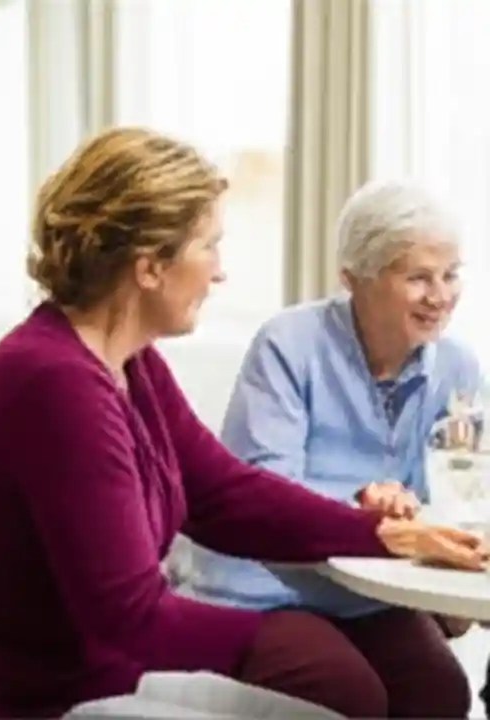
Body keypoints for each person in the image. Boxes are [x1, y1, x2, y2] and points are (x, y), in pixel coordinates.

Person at [0, 126, 487, 720]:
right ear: (150, 267)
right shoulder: (58, 385)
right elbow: (130, 620)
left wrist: (382, 533)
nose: (220, 272)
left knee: (374, 690)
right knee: (334, 687)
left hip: (75, 671)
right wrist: (274, 638)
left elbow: (222, 493)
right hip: (4, 697)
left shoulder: (129, 363)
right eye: (210, 246)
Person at [182, 178, 478, 717]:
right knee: (346, 693)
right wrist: (361, 505)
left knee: (439, 692)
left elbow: (459, 491)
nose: (441, 296)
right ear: (354, 279)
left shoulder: (456, 367)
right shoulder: (289, 345)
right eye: (418, 278)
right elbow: (264, 495)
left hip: (371, 592)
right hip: (267, 584)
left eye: (451, 274)